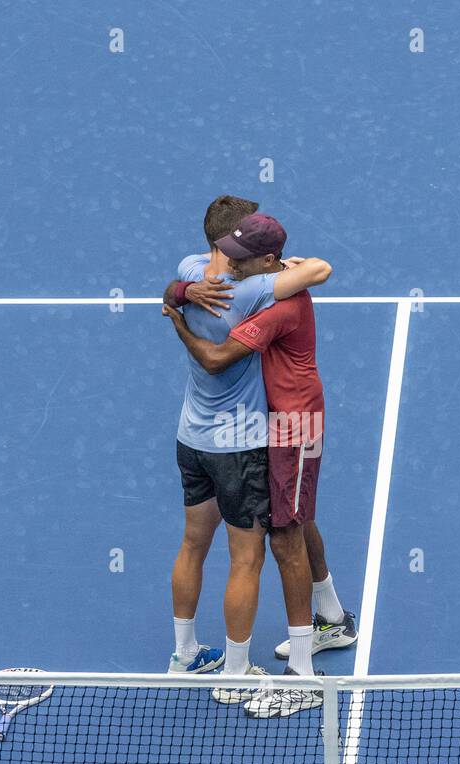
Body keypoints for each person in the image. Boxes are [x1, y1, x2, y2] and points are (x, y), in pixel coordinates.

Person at [165, 212, 353, 718]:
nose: (229, 264)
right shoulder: (256, 283)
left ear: (267, 262)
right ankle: (332, 619)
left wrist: (178, 313)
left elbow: (216, 358)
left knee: (285, 536)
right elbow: (314, 267)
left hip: (292, 427)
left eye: (242, 258)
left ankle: (301, 678)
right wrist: (182, 293)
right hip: (270, 426)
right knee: (296, 522)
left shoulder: (273, 307)